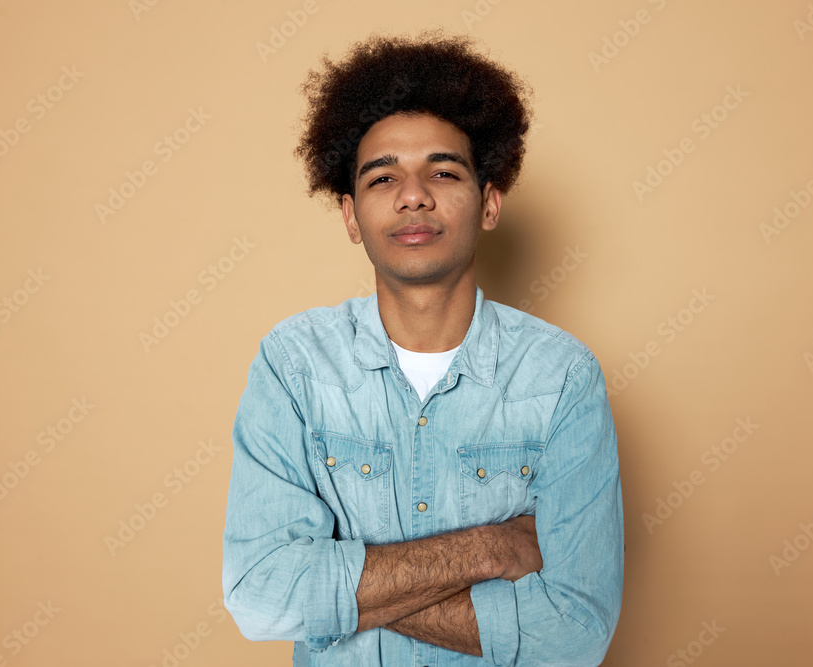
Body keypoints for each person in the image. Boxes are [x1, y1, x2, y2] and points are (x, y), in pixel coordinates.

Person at [222, 28, 624, 666]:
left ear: (489, 203)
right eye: (383, 178)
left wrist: (337, 593)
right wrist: (489, 550)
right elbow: (260, 594)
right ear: (351, 216)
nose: (414, 195)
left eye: (442, 170)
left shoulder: (562, 377)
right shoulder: (294, 365)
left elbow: (574, 636)